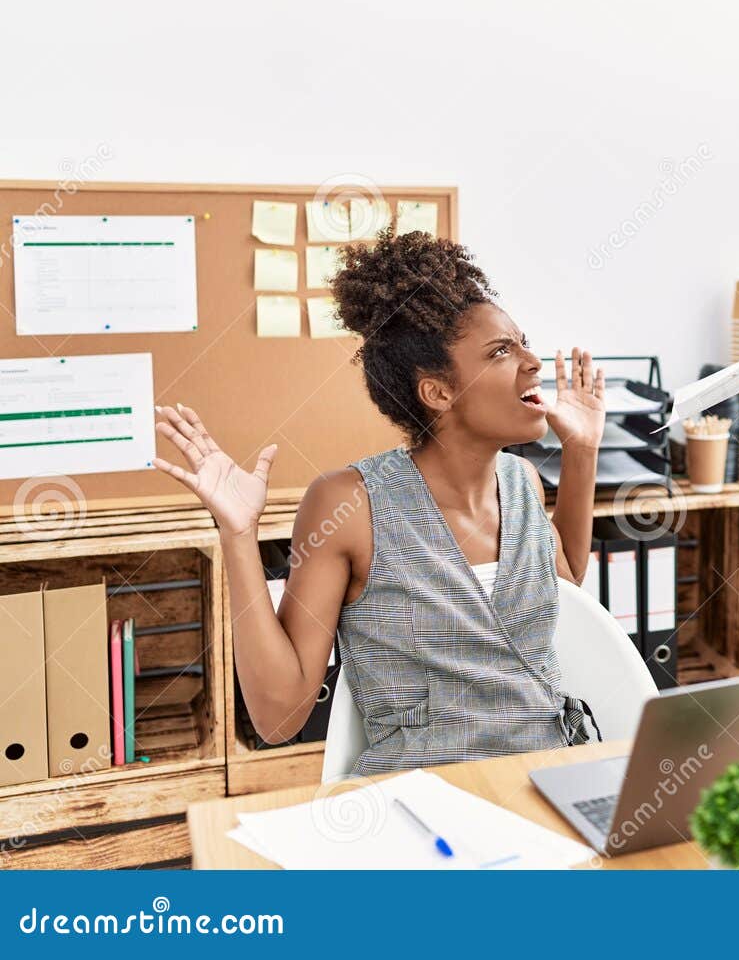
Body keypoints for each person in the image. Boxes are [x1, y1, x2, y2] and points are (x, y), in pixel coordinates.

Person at [153, 227, 606, 775]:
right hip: (421, 804)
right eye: (501, 352)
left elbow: (568, 591)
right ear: (438, 393)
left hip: (547, 781)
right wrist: (238, 535)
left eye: (523, 342)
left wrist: (581, 452)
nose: (533, 362)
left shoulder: (523, 482)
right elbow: (279, 717)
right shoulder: (350, 505)